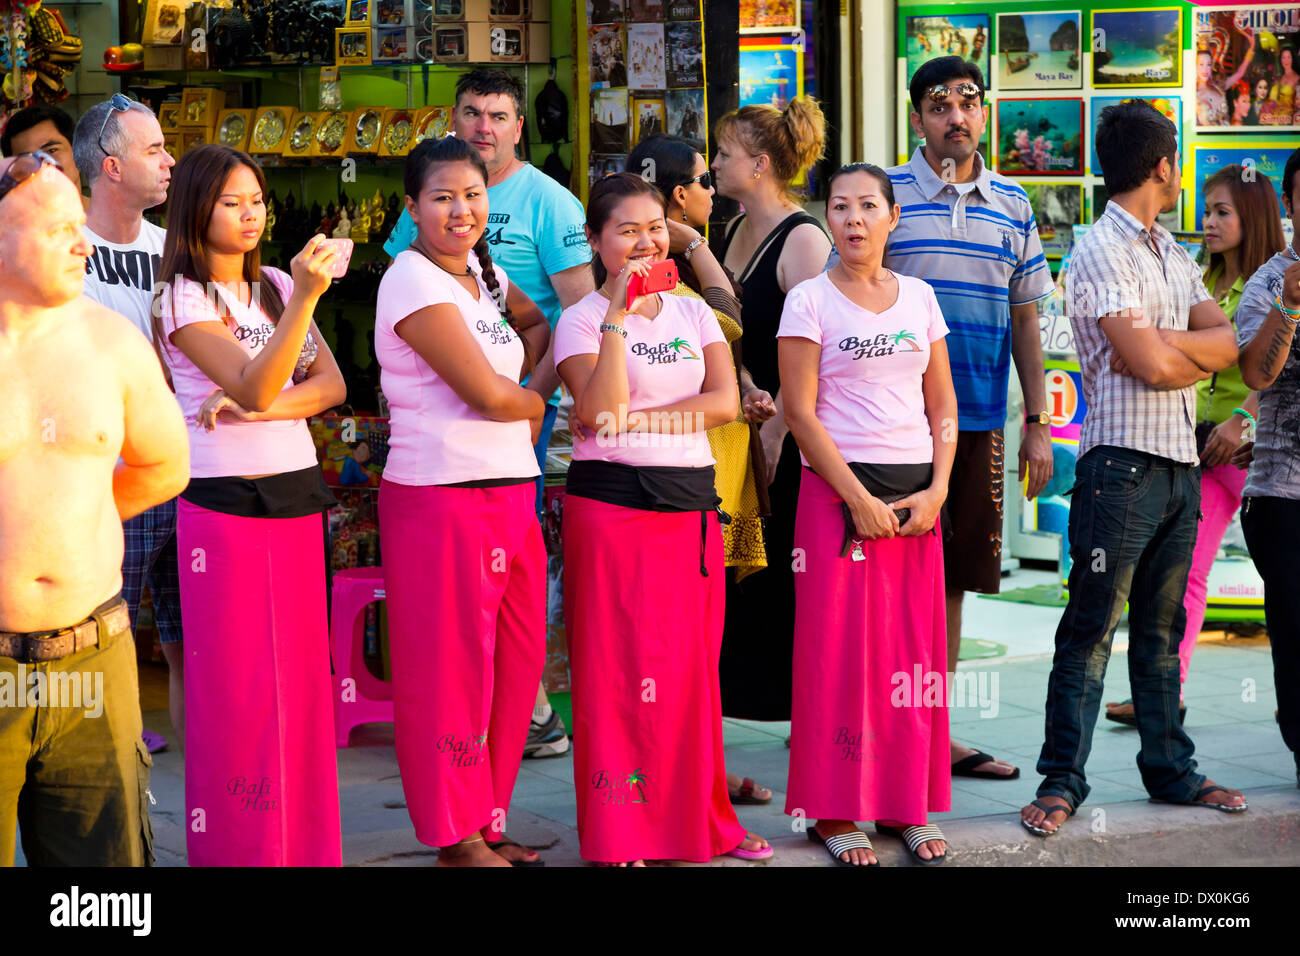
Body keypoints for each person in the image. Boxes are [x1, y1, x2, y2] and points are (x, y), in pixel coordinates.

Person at [1021, 101, 1247, 837]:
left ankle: (1169, 769)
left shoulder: (1169, 250)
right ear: (1162, 166)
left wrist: (1160, 347)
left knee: (1160, 628)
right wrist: (1164, 350)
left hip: (1180, 467)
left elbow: (1229, 342)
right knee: (1091, 628)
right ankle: (1062, 780)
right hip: (1119, 468)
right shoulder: (1098, 249)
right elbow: (1151, 361)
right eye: (1176, 158)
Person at [553, 172, 772, 866]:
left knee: (688, 678)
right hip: (612, 513)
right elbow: (595, 408)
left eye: (655, 228)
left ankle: (699, 824)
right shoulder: (582, 320)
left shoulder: (693, 313)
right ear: (596, 240)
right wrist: (618, 312)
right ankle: (621, 832)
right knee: (614, 675)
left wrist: (639, 419)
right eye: (627, 230)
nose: (646, 242)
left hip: (688, 512)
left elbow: (723, 403)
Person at [384, 69, 593, 762]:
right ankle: (467, 779)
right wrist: (517, 402)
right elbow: (411, 290)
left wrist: (535, 399)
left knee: (510, 614)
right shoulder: (419, 259)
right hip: (444, 472)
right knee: (459, 635)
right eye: (472, 113)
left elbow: (570, 316)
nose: (484, 127)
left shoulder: (545, 210)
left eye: (498, 116)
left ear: (517, 126)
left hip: (513, 444)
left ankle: (505, 752)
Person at [154, 144, 347, 865]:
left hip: (296, 493)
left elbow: (329, 387)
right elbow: (265, 383)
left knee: (299, 685)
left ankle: (302, 847)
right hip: (224, 504)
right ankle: (239, 847)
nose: (250, 213)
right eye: (231, 201)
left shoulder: (271, 282)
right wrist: (302, 302)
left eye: (257, 199)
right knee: (237, 689)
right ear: (196, 209)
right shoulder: (183, 297)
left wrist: (251, 409)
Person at [0, 151, 188, 866]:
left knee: (100, 893)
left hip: (93, 655)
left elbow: (165, 464)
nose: (83, 242)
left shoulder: (114, 343)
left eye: (82, 224)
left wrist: (72, 523)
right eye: (57, 229)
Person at [376, 135, 552, 868]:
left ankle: (486, 816)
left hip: (510, 493)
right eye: (443, 196)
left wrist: (532, 389)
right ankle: (453, 837)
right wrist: (540, 402)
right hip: (440, 499)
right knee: (450, 673)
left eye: (473, 195)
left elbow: (538, 328)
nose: (460, 210)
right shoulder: (412, 280)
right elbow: (483, 393)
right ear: (412, 207)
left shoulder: (485, 277)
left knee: (515, 665)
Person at [780, 163, 956, 867]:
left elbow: (942, 406)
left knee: (912, 657)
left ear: (892, 218)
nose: (853, 219)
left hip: (917, 499)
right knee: (838, 655)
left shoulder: (919, 297)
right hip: (836, 500)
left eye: (868, 206)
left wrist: (940, 488)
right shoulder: (810, 301)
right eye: (840, 206)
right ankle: (832, 810)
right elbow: (798, 411)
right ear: (828, 218)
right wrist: (854, 497)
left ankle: (902, 802)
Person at [889, 56, 1055, 782]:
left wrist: (1038, 419)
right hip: (890, 422)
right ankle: (861, 724)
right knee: (883, 575)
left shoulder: (1015, 204)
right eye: (938, 104)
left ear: (984, 113)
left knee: (954, 578)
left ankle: (934, 732)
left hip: (981, 420)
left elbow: (1026, 322)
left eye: (969, 102)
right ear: (916, 116)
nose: (956, 115)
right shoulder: (884, 194)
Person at [626, 132, 779, 806]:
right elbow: (727, 318)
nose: (713, 192)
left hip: (709, 462)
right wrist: (691, 244)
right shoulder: (667, 263)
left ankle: (700, 768)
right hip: (687, 475)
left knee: (699, 632)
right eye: (703, 181)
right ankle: (683, 774)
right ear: (680, 195)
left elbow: (723, 357)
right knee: (679, 636)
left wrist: (744, 388)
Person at [1106, 164, 1282, 726]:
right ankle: (1165, 692)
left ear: (1251, 216)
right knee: (1182, 567)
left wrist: (1241, 421)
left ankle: (1169, 692)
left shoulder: (1275, 282)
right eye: (1206, 210)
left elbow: (1270, 369)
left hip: (1254, 449)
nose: (1207, 222)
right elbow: (1180, 351)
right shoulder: (1202, 276)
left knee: (1265, 575)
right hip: (1199, 444)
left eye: (1222, 212)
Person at [710, 96, 831, 723]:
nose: (714, 164)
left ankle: (798, 709)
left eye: (724, 155)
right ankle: (746, 702)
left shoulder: (804, 238)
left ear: (759, 165)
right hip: (738, 424)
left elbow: (812, 350)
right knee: (740, 571)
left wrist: (780, 431)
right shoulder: (730, 230)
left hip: (781, 432)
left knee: (780, 571)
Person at [72, 94, 183, 753]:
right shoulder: (66, 253)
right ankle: (102, 758)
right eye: (153, 150)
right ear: (110, 167)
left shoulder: (172, 248)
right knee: (103, 629)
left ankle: (208, 778)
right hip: (110, 479)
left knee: (187, 636)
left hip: (184, 467)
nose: (170, 161)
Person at [1235, 146, 1300, 789]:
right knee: (1295, 626)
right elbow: (1256, 374)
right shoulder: (1268, 283)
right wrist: (1290, 302)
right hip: (1284, 493)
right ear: (1289, 205)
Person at [0, 103, 86, 206]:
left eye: (52, 150)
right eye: (27, 159)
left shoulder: (109, 216)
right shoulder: (9, 221)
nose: (42, 164)